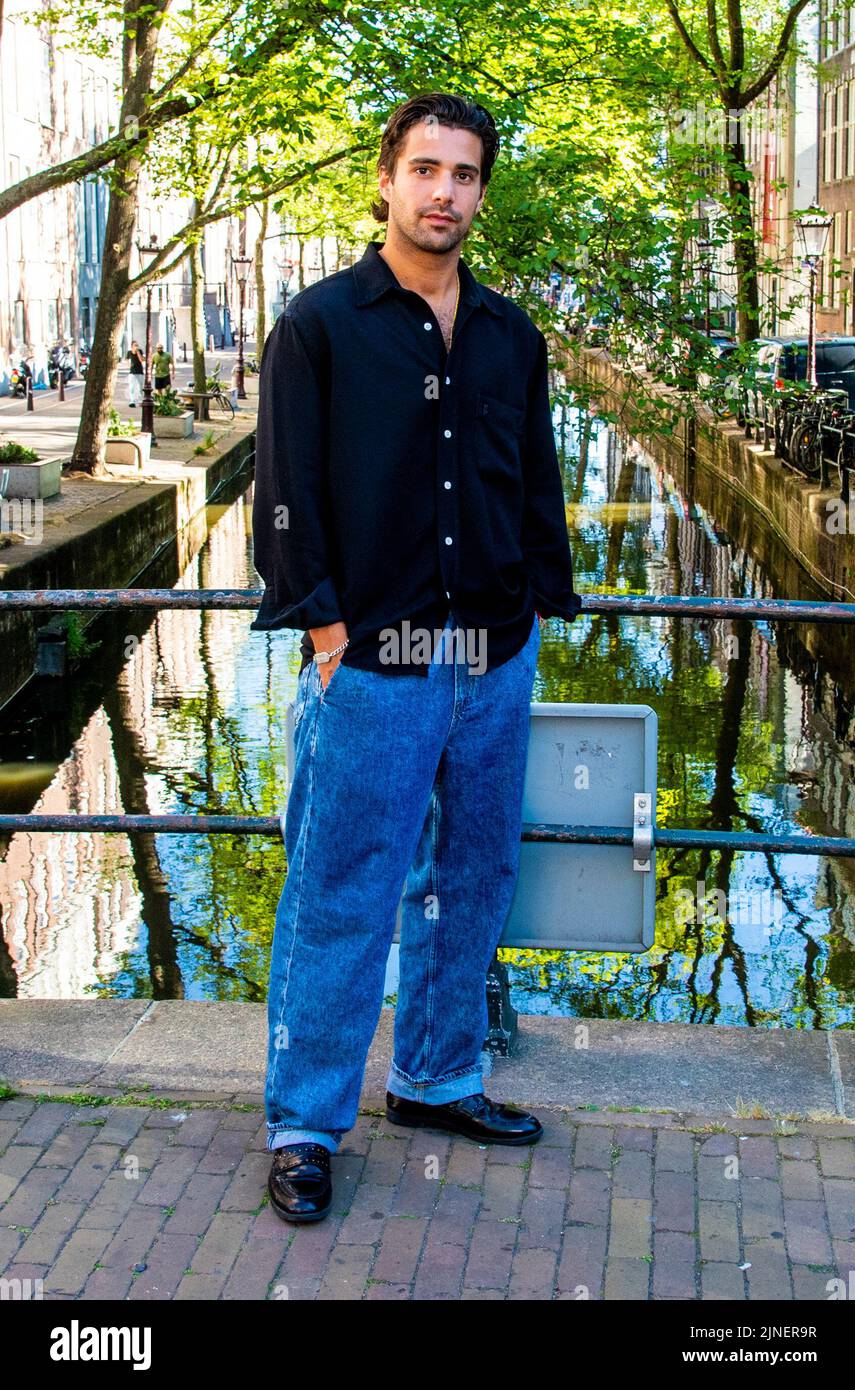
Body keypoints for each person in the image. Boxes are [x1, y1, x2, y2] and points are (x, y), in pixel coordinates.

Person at [250, 92, 580, 1224]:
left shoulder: (510, 336)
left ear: (483, 191)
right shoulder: (320, 325)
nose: (446, 191)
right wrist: (327, 632)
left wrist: (537, 605)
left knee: (472, 879)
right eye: (426, 169)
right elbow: (286, 493)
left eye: (467, 174)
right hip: (376, 659)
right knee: (342, 891)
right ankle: (303, 1121)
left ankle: (436, 1079)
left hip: (492, 654)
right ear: (387, 180)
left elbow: (534, 477)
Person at [127, 341, 144, 407]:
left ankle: (140, 401)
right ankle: (132, 401)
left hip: (140, 371)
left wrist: (138, 353)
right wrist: (129, 365)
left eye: (137, 345)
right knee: (132, 387)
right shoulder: (129, 352)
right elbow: (127, 360)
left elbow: (141, 360)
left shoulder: (140, 351)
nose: (136, 346)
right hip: (132, 372)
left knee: (140, 387)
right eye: (135, 345)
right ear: (132, 346)